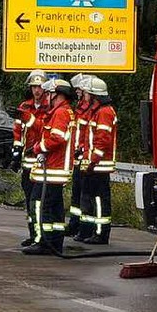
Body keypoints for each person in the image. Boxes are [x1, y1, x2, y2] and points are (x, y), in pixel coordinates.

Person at [23, 78, 75, 255]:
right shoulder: (62, 112)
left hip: (53, 169)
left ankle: (43, 242)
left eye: (48, 94)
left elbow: (57, 138)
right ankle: (55, 242)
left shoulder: (60, 113)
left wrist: (38, 148)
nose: (46, 97)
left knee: (39, 204)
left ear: (56, 94)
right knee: (55, 208)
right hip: (55, 169)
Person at [77, 77, 117, 244]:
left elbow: (102, 141)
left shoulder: (104, 112)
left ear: (94, 95)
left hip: (99, 166)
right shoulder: (97, 111)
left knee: (100, 200)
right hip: (93, 165)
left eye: (87, 93)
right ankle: (89, 231)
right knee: (90, 198)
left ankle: (101, 234)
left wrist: (92, 161)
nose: (84, 96)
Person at [10, 69, 46, 247]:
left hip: (42, 161)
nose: (36, 90)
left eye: (39, 86)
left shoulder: (49, 108)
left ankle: (41, 236)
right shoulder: (24, 106)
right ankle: (33, 234)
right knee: (29, 200)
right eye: (34, 87)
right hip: (27, 162)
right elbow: (18, 130)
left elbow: (42, 129)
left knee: (39, 202)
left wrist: (28, 118)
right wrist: (16, 150)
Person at [65, 74, 92, 237]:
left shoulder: (89, 110)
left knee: (84, 196)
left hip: (85, 158)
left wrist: (82, 149)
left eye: (79, 89)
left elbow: (88, 135)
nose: (76, 92)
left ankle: (84, 229)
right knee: (76, 195)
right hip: (78, 158)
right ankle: (74, 225)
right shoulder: (80, 108)